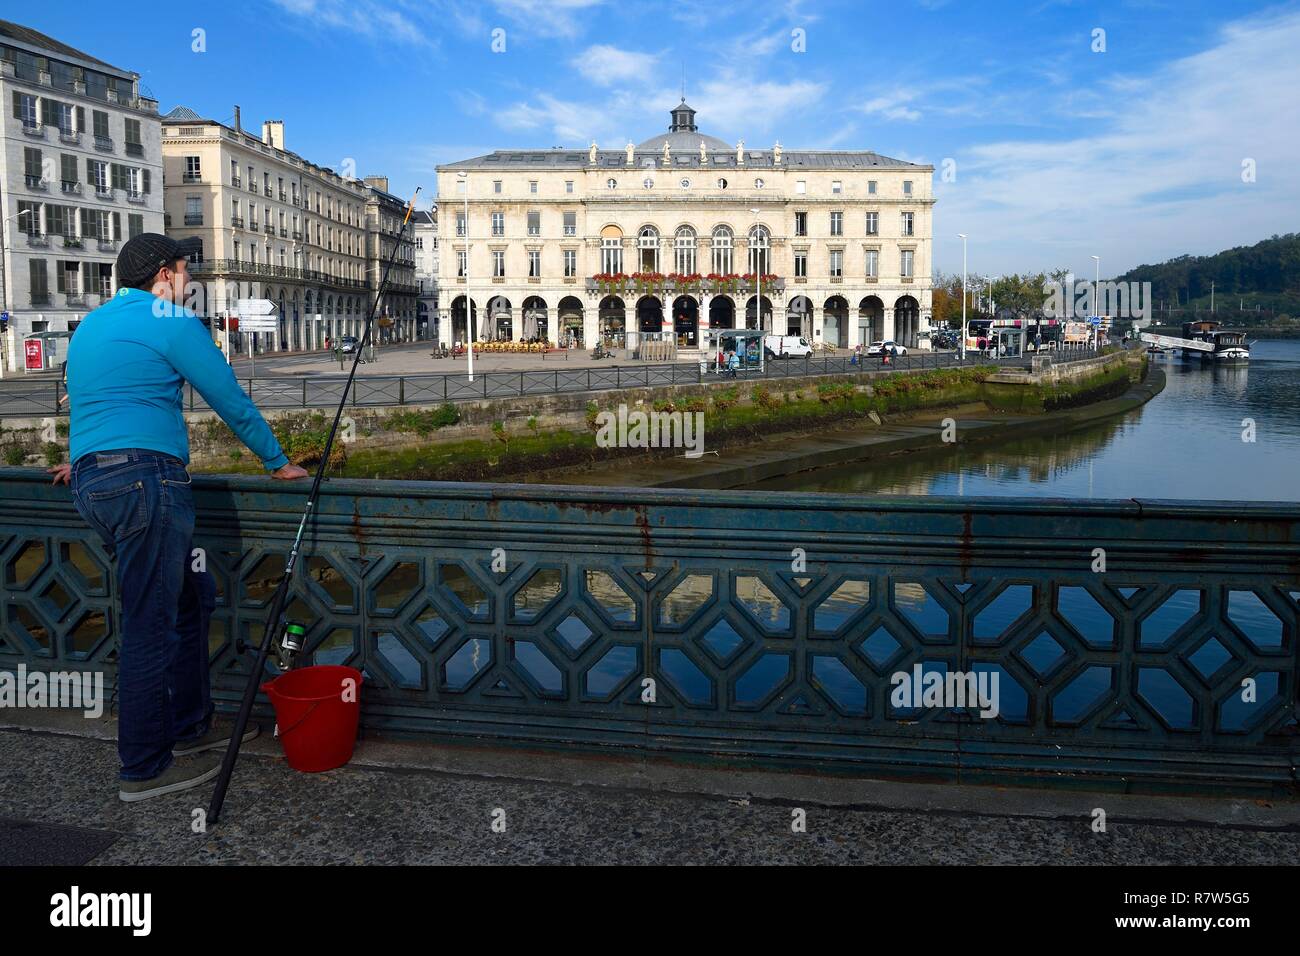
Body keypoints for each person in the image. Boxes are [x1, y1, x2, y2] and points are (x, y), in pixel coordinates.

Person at [47, 234, 309, 803]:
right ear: (164, 275)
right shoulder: (173, 319)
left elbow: (85, 397)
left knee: (190, 600)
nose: (189, 281)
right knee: (149, 623)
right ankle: (143, 766)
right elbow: (229, 398)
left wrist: (83, 459)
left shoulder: (90, 325)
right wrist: (277, 461)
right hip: (149, 483)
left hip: (95, 483)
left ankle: (190, 724)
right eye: (185, 269)